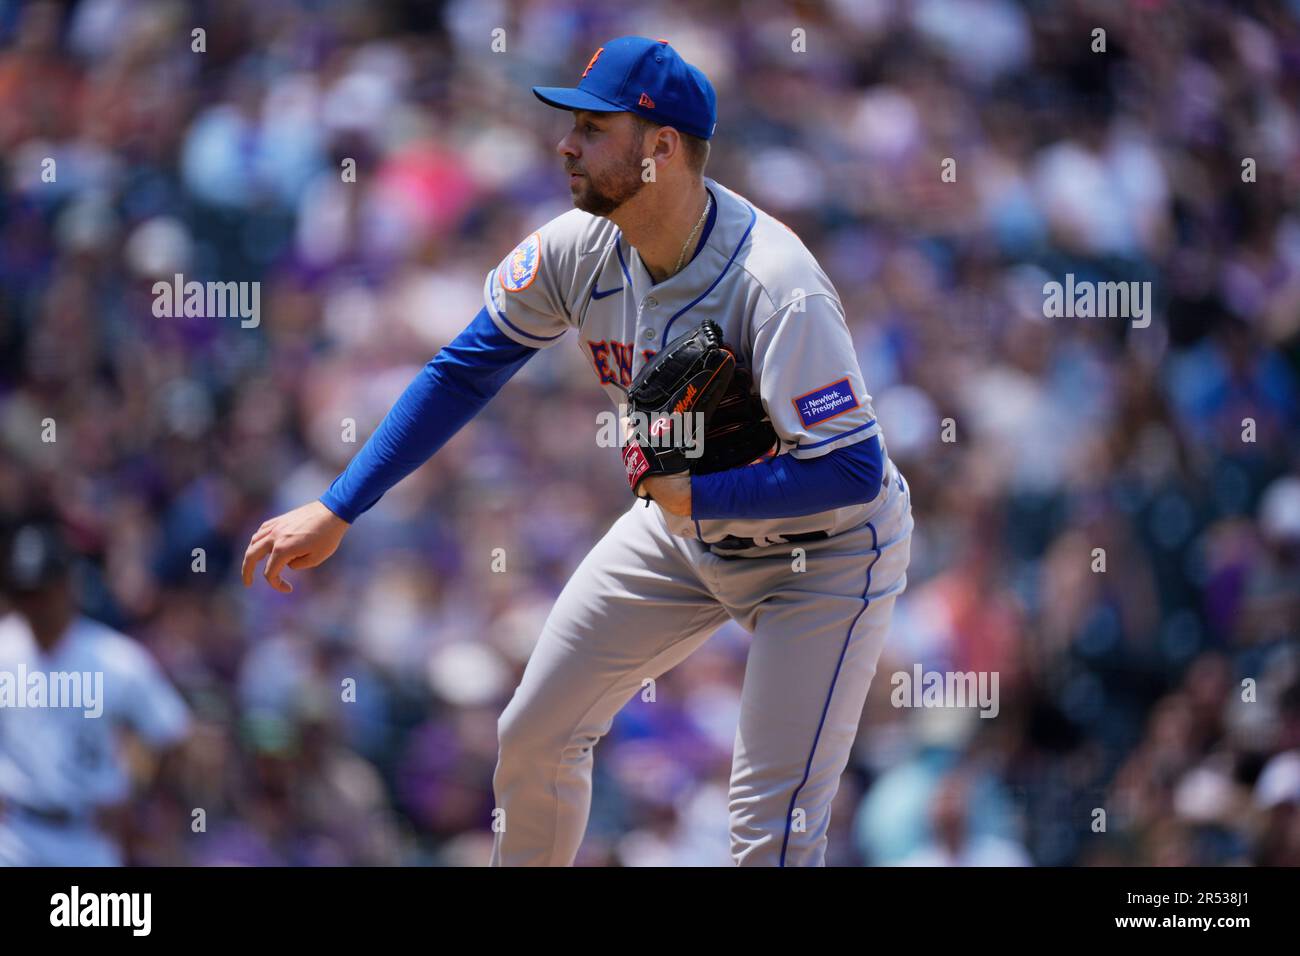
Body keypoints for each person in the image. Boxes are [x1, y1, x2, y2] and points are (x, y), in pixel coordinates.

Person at [243, 36, 913, 866]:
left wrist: (698, 500)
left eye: (594, 129)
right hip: (682, 530)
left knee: (767, 833)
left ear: (661, 148)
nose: (565, 143)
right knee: (535, 733)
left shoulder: (776, 285)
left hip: (827, 553)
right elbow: (464, 371)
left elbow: (850, 469)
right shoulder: (577, 248)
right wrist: (339, 503)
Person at [0, 521, 191, 866]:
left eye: (44, 589)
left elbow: (171, 733)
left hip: (87, 837)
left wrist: (137, 796)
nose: (36, 604)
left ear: (67, 586)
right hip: (14, 834)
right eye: (25, 593)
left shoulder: (113, 658)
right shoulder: (4, 649)